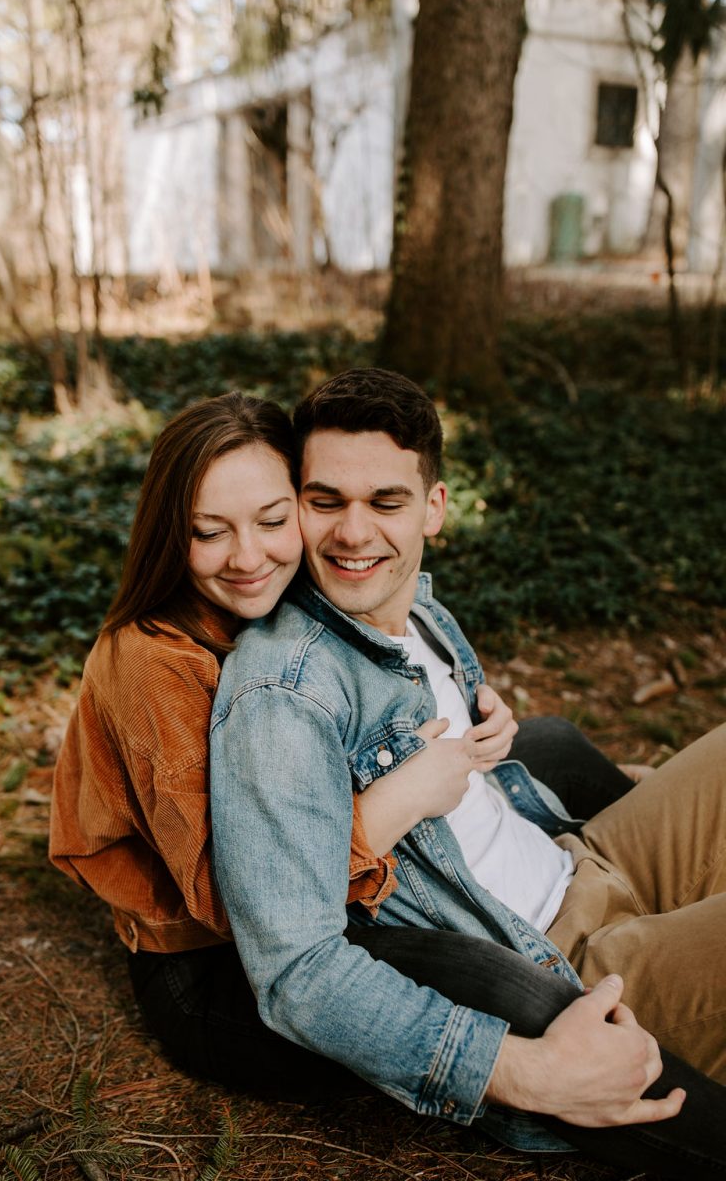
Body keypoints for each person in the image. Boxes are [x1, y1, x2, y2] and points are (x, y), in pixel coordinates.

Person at [209, 369, 726, 1178]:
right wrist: (515, 1068)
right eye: (325, 501)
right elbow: (296, 974)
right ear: (294, 502)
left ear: (434, 509)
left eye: (385, 502)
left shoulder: (418, 609)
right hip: (567, 955)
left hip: (581, 854)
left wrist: (492, 728)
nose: (352, 533)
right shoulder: (285, 693)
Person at [49, 390, 625, 1105]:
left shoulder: (270, 594)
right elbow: (240, 901)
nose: (249, 555)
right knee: (482, 995)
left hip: (301, 872)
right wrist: (398, 798)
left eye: (272, 518)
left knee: (551, 744)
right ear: (172, 534)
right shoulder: (153, 664)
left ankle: (639, 857)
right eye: (209, 531)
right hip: (214, 964)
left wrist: (460, 700)